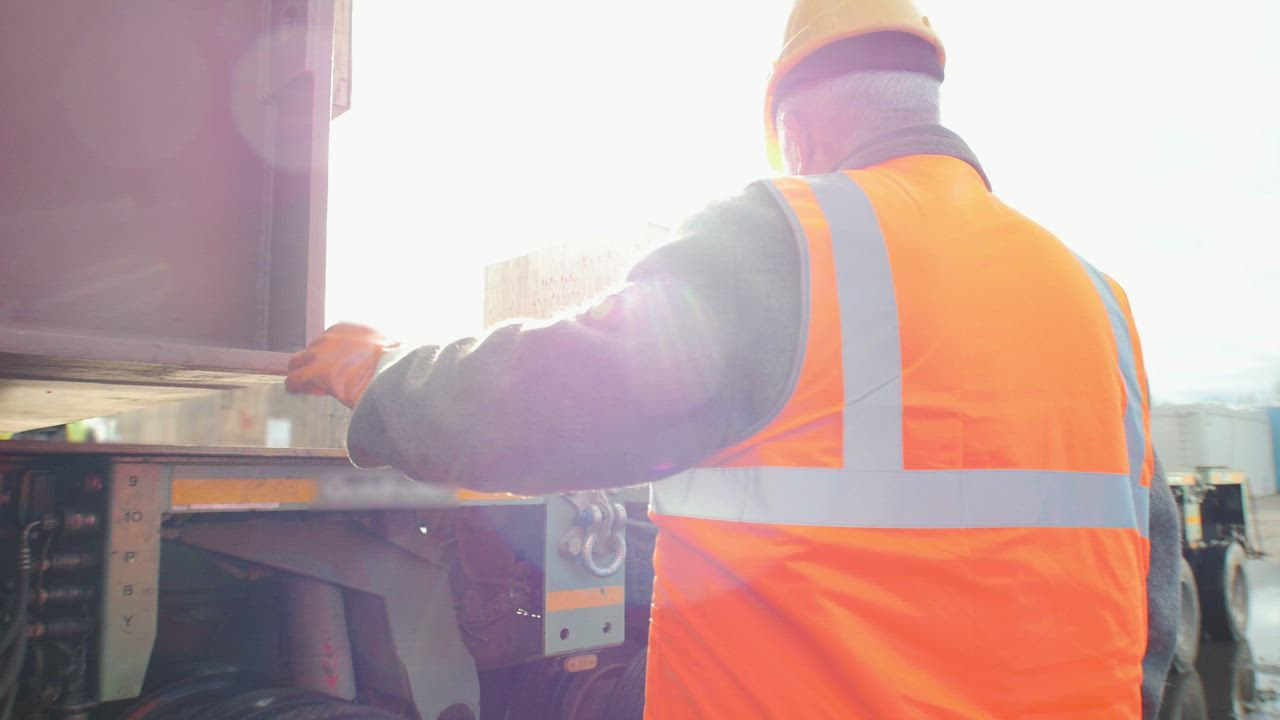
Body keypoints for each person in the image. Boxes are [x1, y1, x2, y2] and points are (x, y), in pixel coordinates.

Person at [287, 1, 1180, 717]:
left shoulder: (789, 236)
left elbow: (563, 396)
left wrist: (381, 378)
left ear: (794, 132)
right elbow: (1154, 599)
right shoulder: (1101, 300)